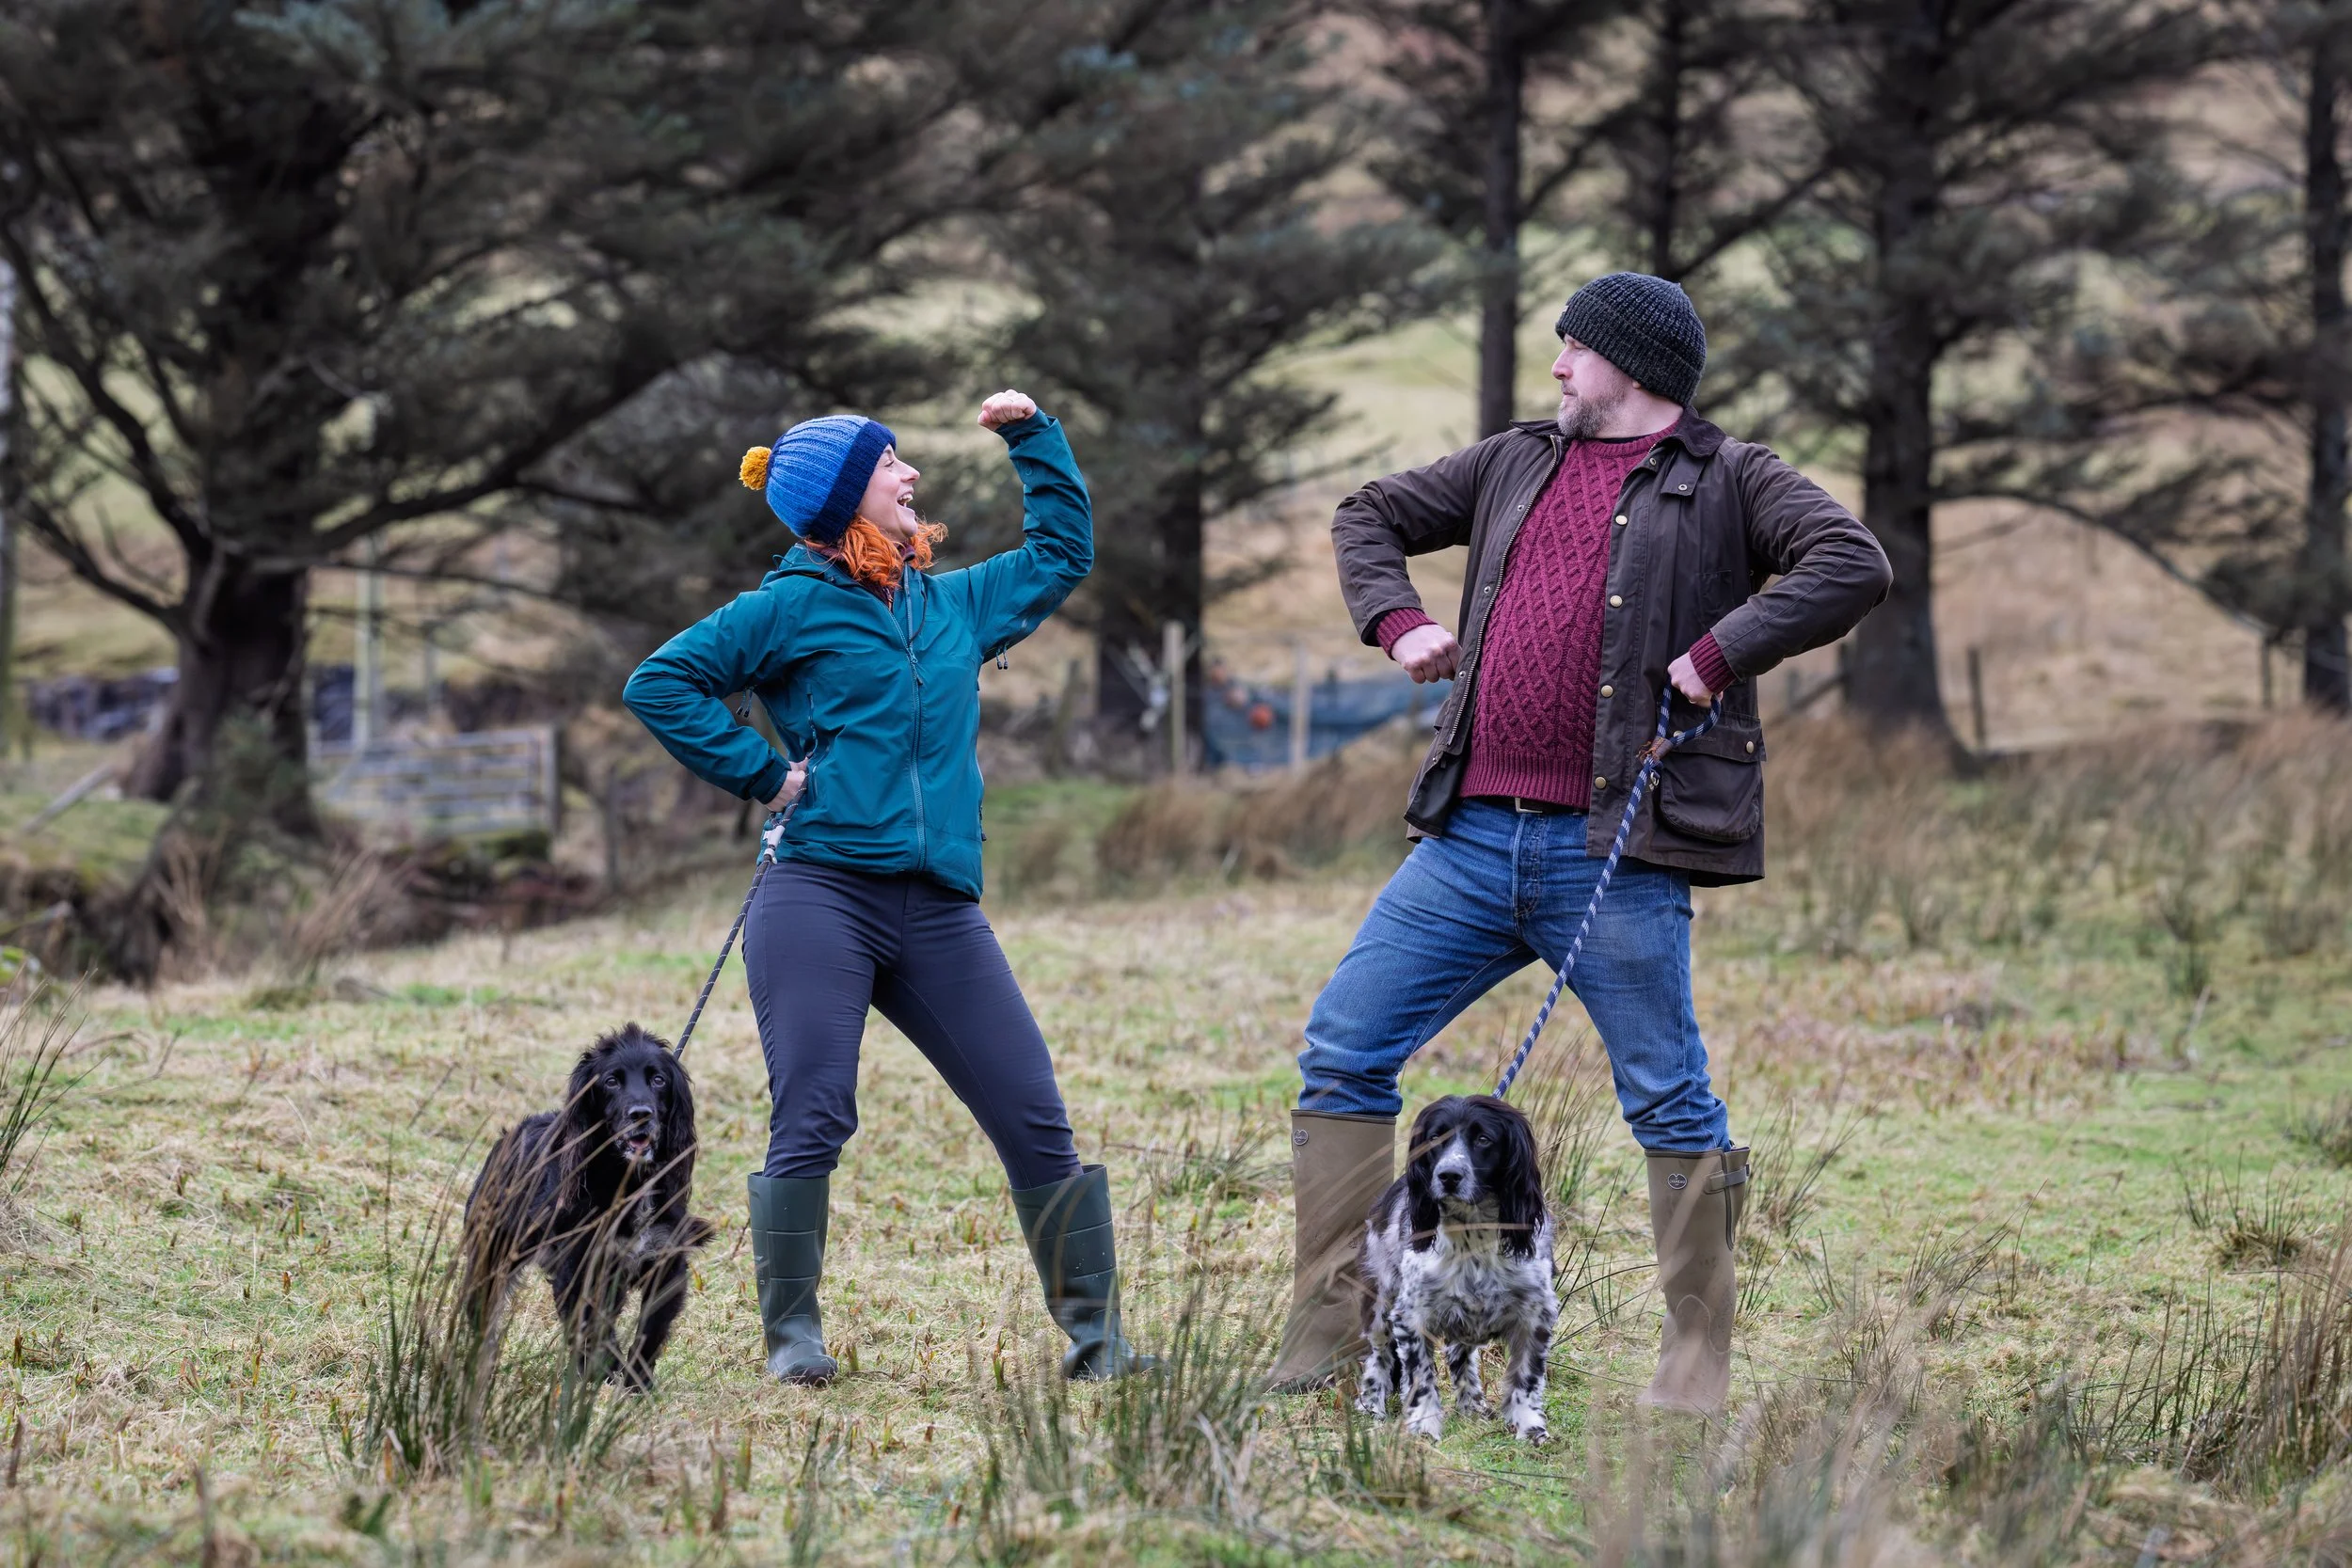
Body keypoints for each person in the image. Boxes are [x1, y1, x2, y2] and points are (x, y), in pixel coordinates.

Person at [1269, 274, 1892, 1413]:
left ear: (1632, 364)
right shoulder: (1514, 459)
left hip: (1614, 852)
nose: (1556, 366)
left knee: (1669, 1101)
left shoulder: (1732, 477)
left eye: (1573, 348)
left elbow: (1851, 562)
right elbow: (1368, 512)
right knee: (1343, 1049)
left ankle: (1694, 1367)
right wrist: (1397, 621)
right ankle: (1334, 1342)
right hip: (1466, 839)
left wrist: (1721, 651)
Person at [624, 390, 1152, 1386]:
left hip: (940, 907)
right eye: (888, 466)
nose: (910, 476)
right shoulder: (786, 606)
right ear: (841, 500)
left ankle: (1099, 1340)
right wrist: (762, 772)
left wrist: (1032, 437)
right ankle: (793, 1338)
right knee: (816, 1111)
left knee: (1033, 1112)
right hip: (817, 895)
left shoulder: (951, 604)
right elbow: (660, 681)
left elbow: (1060, 553)